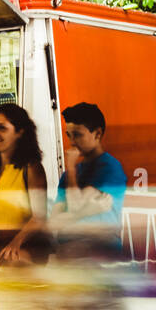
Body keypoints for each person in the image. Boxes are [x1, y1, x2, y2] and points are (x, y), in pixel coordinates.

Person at [0, 103, 49, 267]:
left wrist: (15, 243)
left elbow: (39, 217)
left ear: (20, 132)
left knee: (9, 265)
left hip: (23, 245)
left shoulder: (30, 169)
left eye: (2, 128)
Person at [51, 102, 126, 260]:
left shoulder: (110, 168)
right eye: (68, 135)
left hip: (99, 254)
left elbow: (75, 205)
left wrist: (71, 169)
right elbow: (54, 222)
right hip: (70, 254)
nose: (71, 142)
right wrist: (86, 211)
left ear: (97, 134)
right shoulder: (67, 176)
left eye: (77, 135)